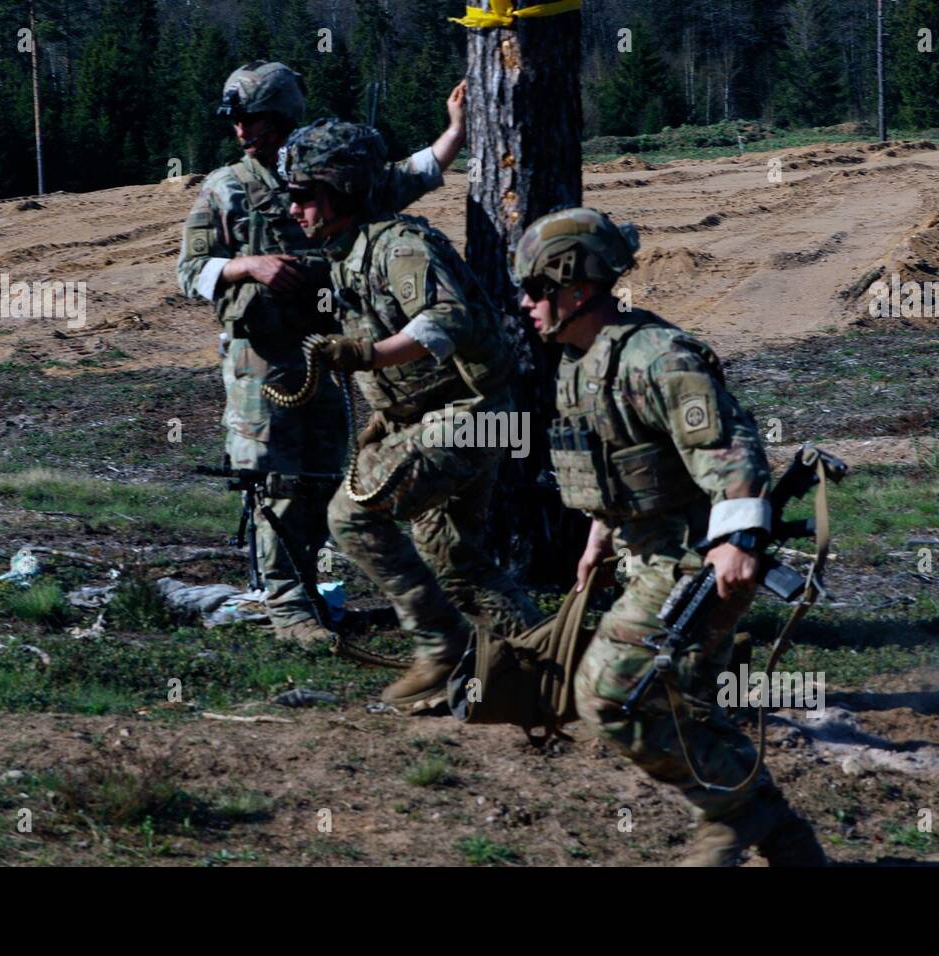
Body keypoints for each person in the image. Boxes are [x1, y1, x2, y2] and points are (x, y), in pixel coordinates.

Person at [512, 206, 825, 866]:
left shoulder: (658, 359)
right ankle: (790, 847)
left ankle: (734, 812)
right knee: (677, 702)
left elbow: (729, 449)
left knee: (610, 698)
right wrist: (600, 535)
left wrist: (737, 541)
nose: (525, 303)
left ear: (575, 285)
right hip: (645, 552)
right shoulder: (580, 360)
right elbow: (623, 463)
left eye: (535, 288)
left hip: (694, 560)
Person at [176, 62, 468, 648]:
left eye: (252, 120)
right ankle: (286, 607)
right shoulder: (225, 188)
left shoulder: (327, 171)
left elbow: (409, 175)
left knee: (321, 474)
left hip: (331, 354)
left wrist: (456, 130)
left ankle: (305, 589)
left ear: (283, 117)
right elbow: (188, 271)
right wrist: (247, 265)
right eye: (236, 122)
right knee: (273, 479)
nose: (241, 132)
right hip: (261, 360)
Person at [283, 118, 541, 709]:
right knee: (455, 560)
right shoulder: (351, 252)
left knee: (351, 517)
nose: (295, 211)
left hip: (471, 416)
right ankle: (545, 661)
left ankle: (441, 645)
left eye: (303, 196)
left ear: (340, 189)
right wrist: (388, 412)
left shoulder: (399, 246)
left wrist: (368, 355)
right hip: (447, 416)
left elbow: (443, 320)